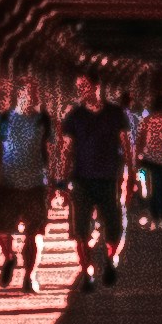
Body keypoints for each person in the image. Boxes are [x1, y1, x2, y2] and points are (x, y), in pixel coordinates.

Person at [0, 76, 54, 292]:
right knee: (0, 231)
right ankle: (9, 256)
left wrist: (56, 182)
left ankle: (29, 277)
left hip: (35, 184)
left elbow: (52, 152)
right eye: (30, 92)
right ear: (20, 94)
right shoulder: (3, 120)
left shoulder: (43, 120)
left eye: (36, 93)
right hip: (7, 184)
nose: (34, 97)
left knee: (34, 233)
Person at [61, 79, 129, 288]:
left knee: (114, 227)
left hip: (109, 179)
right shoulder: (74, 117)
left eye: (86, 86)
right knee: (80, 230)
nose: (82, 91)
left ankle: (110, 260)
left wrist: (131, 174)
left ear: (98, 86)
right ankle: (87, 272)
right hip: (81, 180)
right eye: (79, 87)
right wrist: (62, 181)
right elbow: (66, 150)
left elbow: (127, 145)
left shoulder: (116, 114)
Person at [131, 85, 162, 232]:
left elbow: (140, 139)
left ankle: (154, 217)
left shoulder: (147, 121)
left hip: (149, 160)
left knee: (152, 190)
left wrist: (138, 157)